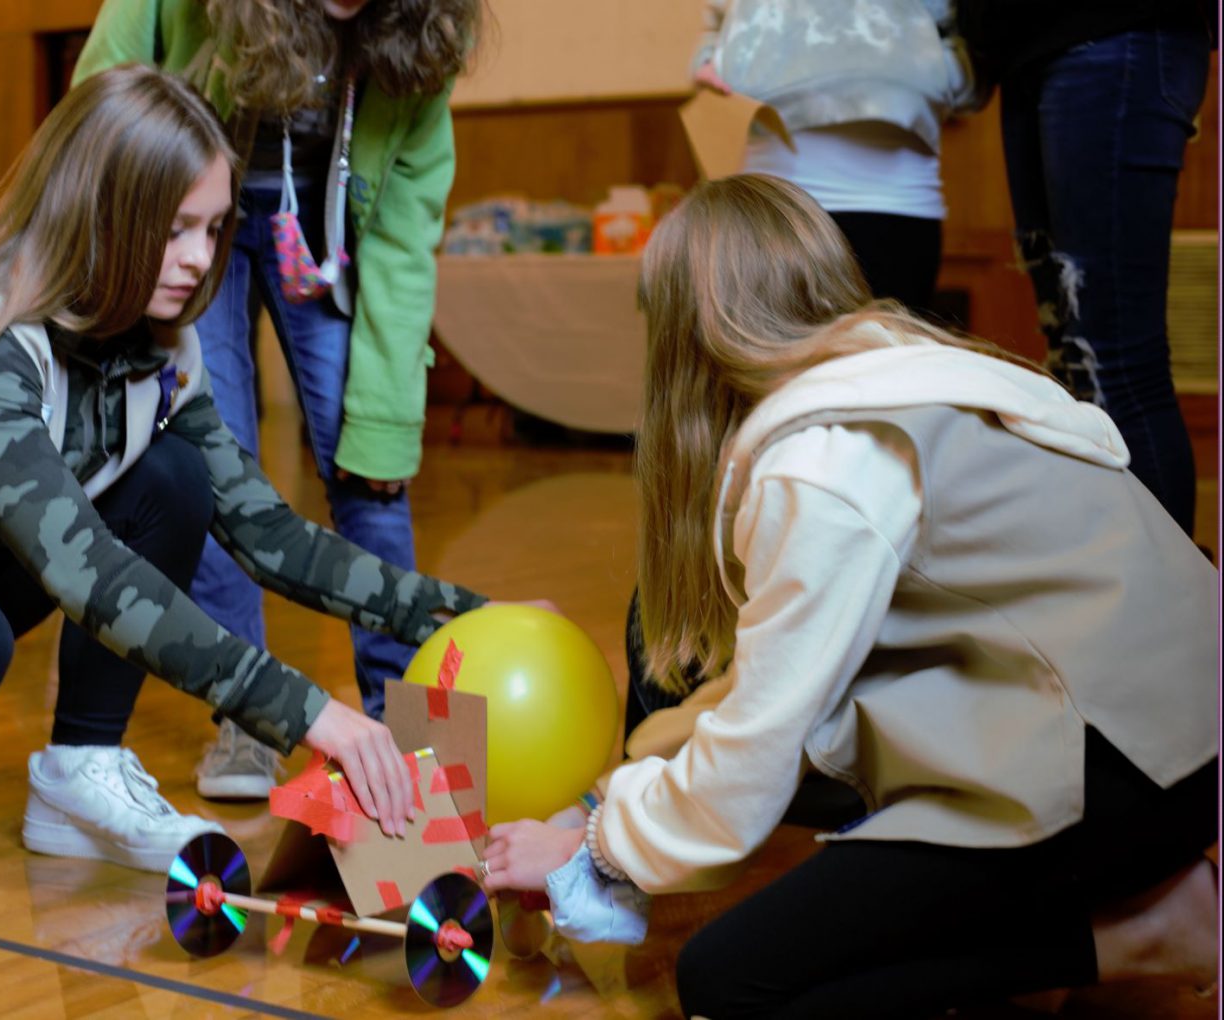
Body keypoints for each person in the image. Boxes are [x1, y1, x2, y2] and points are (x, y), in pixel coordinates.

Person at [0, 65, 492, 912]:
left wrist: (457, 612)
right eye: (173, 227)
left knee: (175, 479)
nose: (197, 258)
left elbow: (267, 533)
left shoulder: (157, 341)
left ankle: (82, 766)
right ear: (97, 213)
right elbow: (85, 570)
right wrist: (309, 716)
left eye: (214, 228)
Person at [477, 175, 1218, 1018]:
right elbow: (774, 685)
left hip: (1135, 763)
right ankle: (1117, 905)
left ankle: (1148, 932)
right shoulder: (898, 374)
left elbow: (752, 766)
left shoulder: (819, 466)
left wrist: (598, 847)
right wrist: (615, 801)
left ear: (682, 342)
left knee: (731, 983)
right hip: (1174, 725)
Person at [72, 0, 482, 801]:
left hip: (329, 227)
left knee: (372, 469)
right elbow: (102, 98)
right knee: (213, 464)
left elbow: (404, 233)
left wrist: (386, 420)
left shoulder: (420, 31)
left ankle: (405, 736)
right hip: (188, 217)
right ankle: (250, 718)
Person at [955, 0, 1215, 536]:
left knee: (1114, 360)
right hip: (1027, 51)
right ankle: (1116, 584)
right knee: (1072, 359)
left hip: (1114, 30)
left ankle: (1167, 600)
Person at [691, 0, 979, 315]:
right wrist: (712, 61)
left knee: (888, 356)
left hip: (894, 199)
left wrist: (933, 76)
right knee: (772, 354)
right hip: (772, 200)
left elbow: (968, 29)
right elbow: (718, 18)